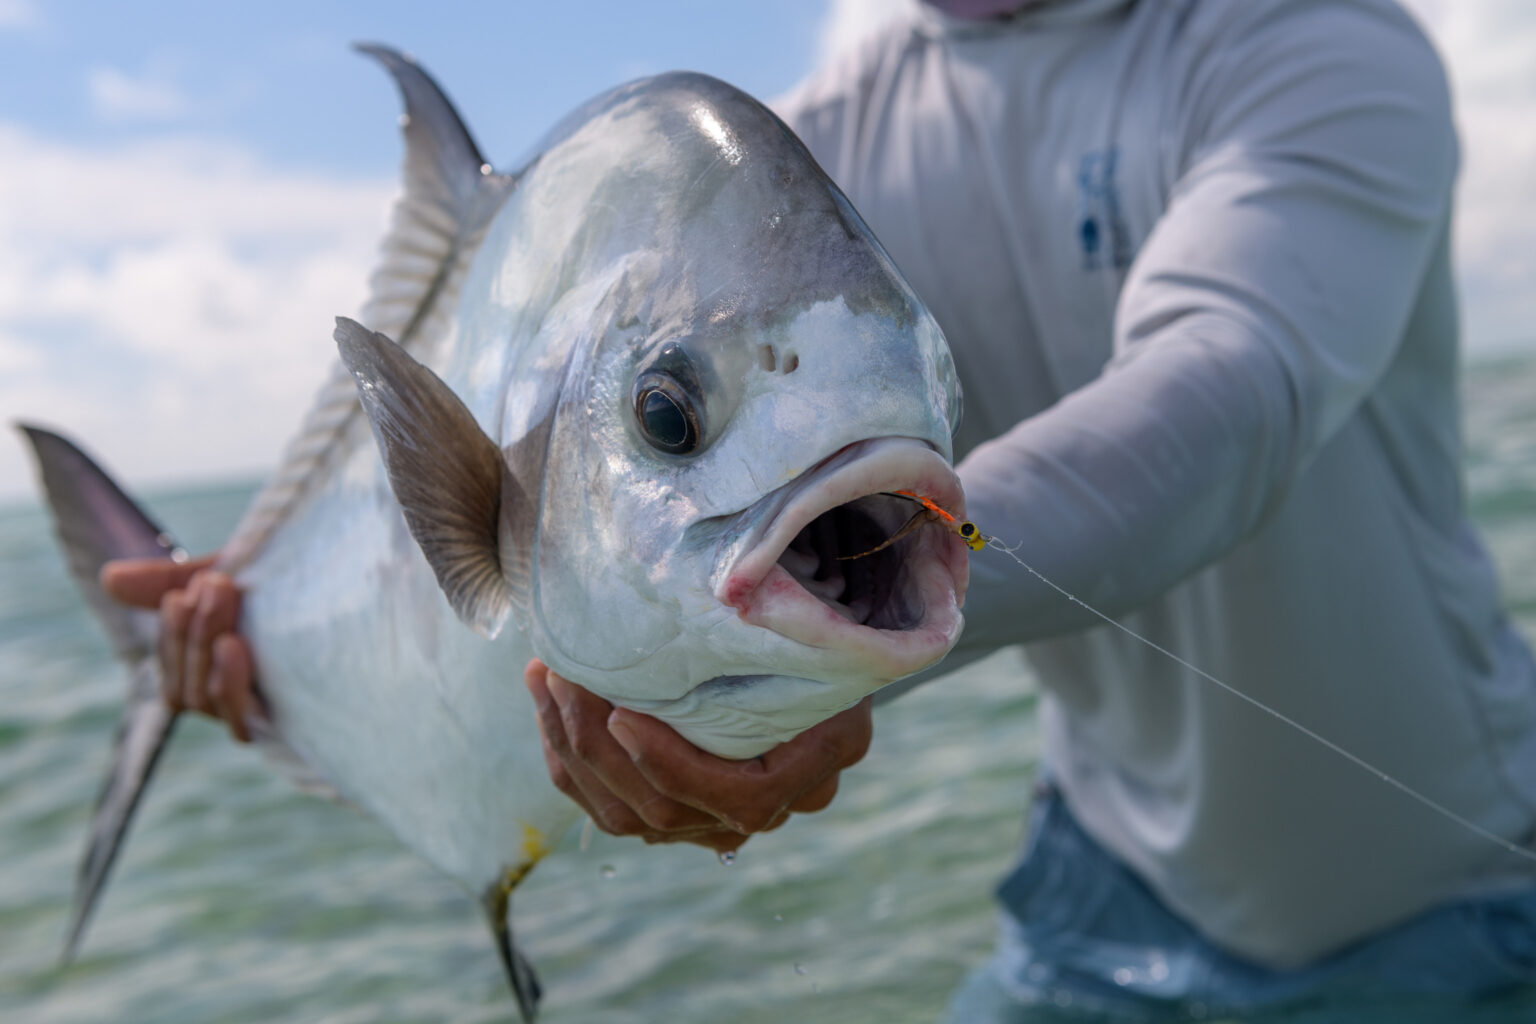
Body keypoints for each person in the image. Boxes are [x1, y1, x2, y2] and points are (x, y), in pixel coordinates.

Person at [105, 0, 1536, 1018]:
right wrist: (258, 652)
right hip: (1094, 890)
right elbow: (573, 531)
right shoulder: (796, 160)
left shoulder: (1308, 42)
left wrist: (844, 629)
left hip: (1446, 899)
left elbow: (1223, 401)